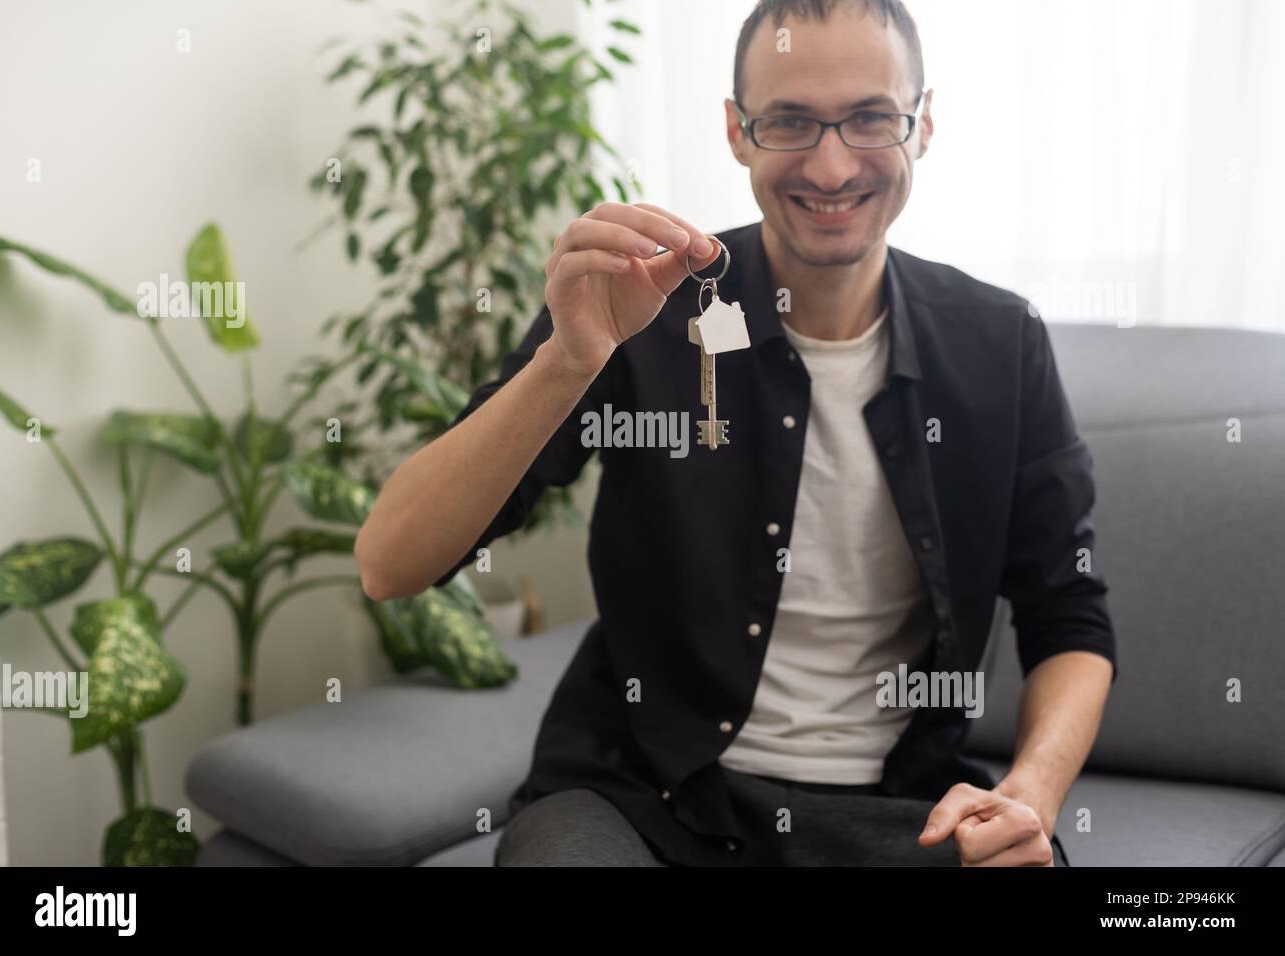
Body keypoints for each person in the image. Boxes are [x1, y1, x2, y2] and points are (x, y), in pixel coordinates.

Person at [354, 0, 1117, 867]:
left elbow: (1070, 618)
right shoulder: (639, 311)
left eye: (871, 117)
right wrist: (567, 362)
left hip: (899, 813)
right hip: (635, 798)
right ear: (737, 131)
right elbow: (390, 561)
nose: (831, 167)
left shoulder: (999, 341)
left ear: (924, 124)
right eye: (790, 120)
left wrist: (1029, 799)